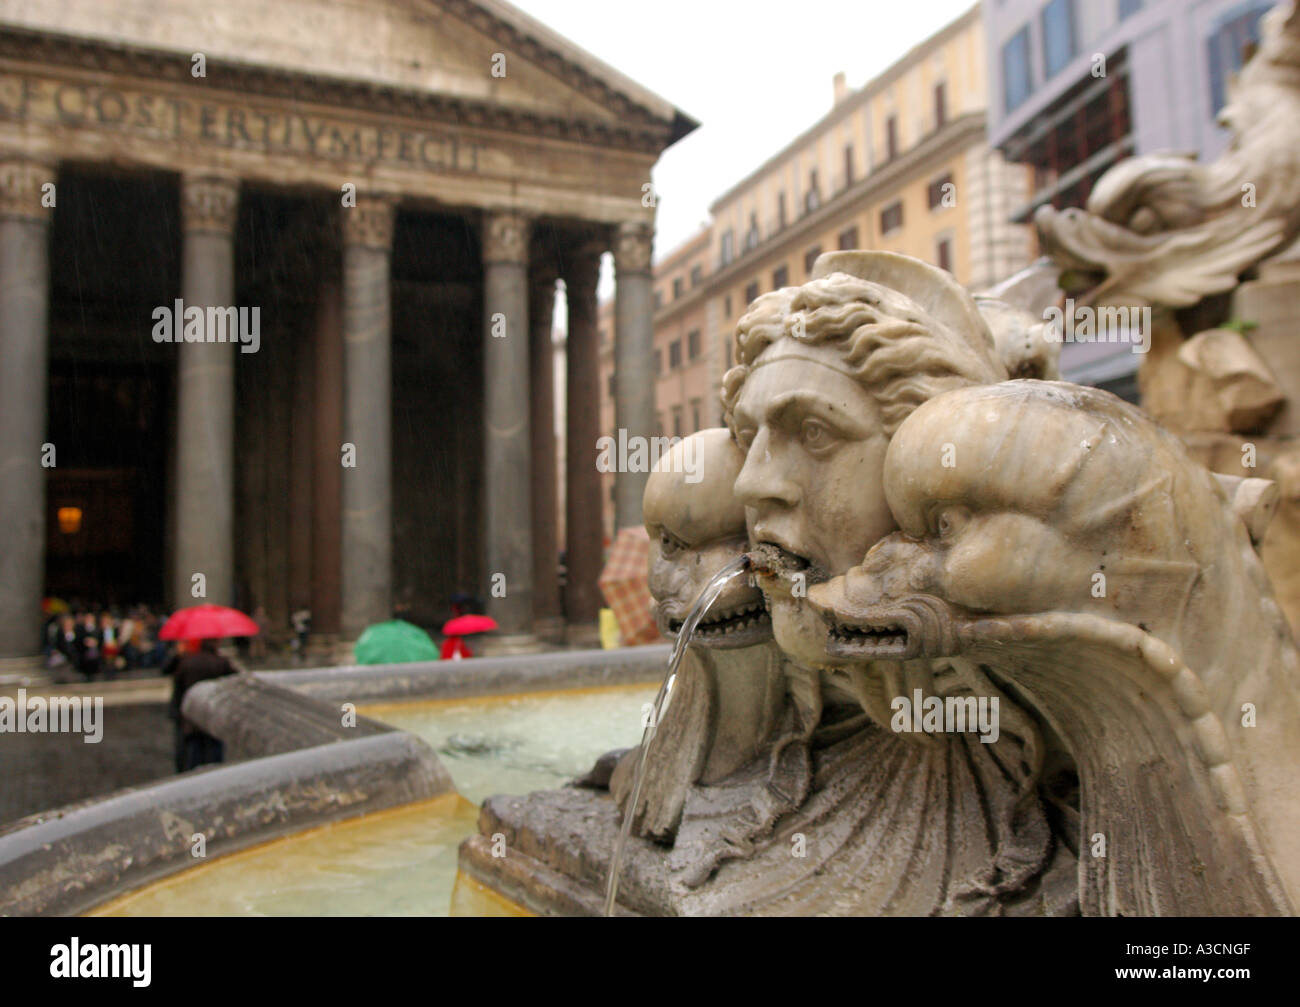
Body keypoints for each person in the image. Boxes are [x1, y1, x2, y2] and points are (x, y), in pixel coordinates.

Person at [163, 639, 236, 772]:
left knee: (194, 751)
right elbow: (235, 681)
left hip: (191, 715)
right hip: (214, 713)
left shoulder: (186, 663)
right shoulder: (221, 662)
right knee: (214, 751)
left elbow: (176, 685)